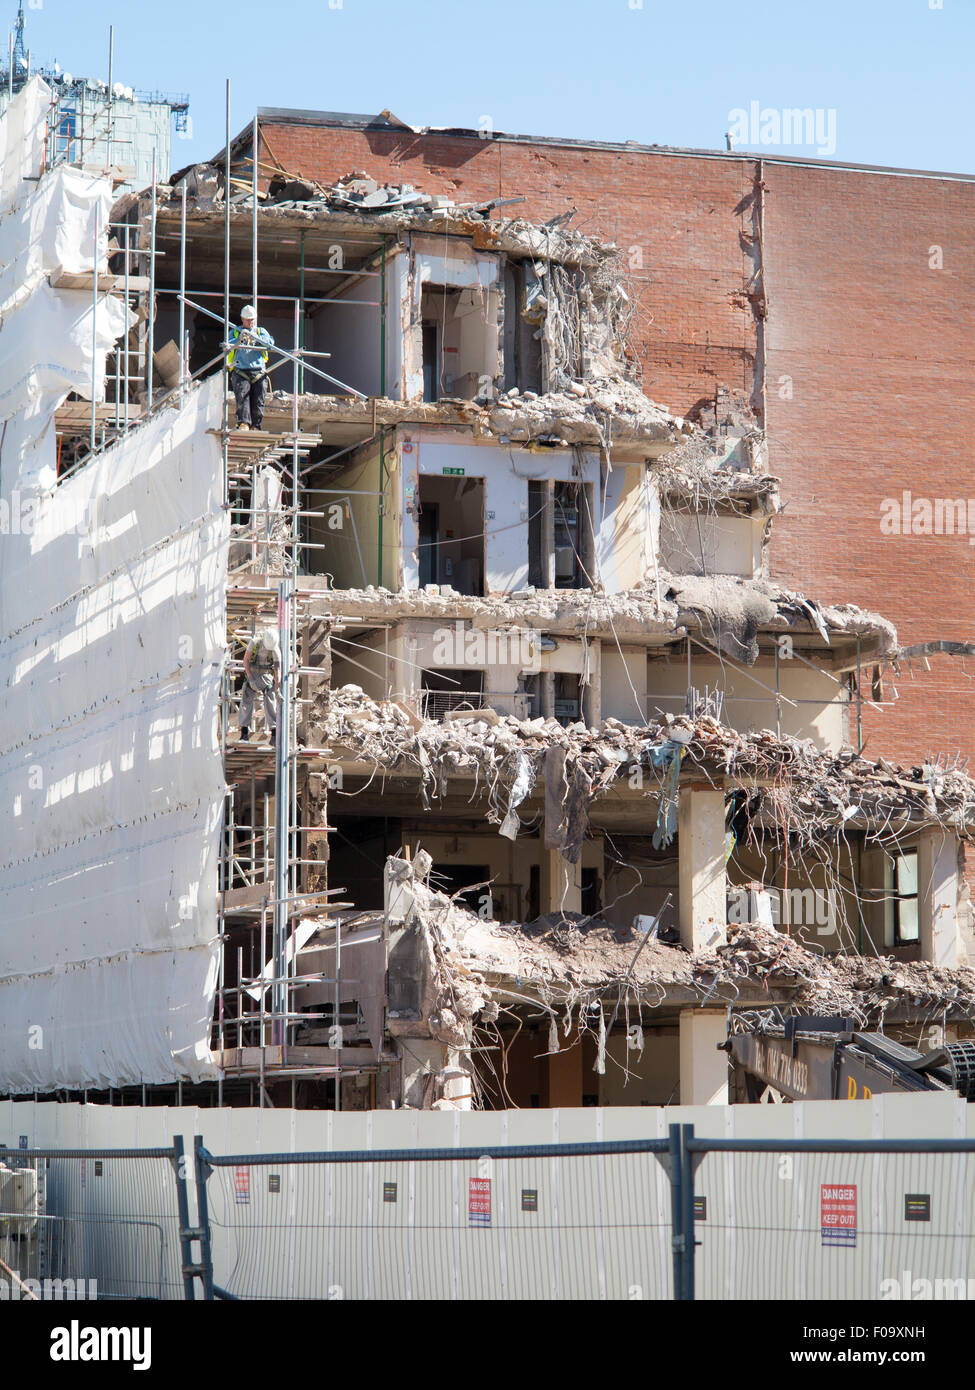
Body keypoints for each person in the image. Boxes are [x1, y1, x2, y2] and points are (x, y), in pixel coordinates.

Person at [228, 305, 274, 431]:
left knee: (258, 399)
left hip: (258, 371)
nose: (250, 322)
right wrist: (240, 339)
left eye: (252, 319)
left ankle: (256, 426)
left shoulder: (260, 332)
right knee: (243, 397)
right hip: (241, 370)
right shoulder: (235, 332)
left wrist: (256, 338)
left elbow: (270, 343)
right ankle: (244, 423)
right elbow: (228, 345)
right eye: (248, 320)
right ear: (242, 319)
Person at [238, 628, 281, 744]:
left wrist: (277, 689)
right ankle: (244, 733)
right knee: (246, 702)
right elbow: (246, 661)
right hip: (252, 674)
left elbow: (277, 670)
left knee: (270, 702)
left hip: (266, 677)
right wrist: (251, 678)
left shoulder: (275, 649)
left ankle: (274, 734)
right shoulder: (255, 642)